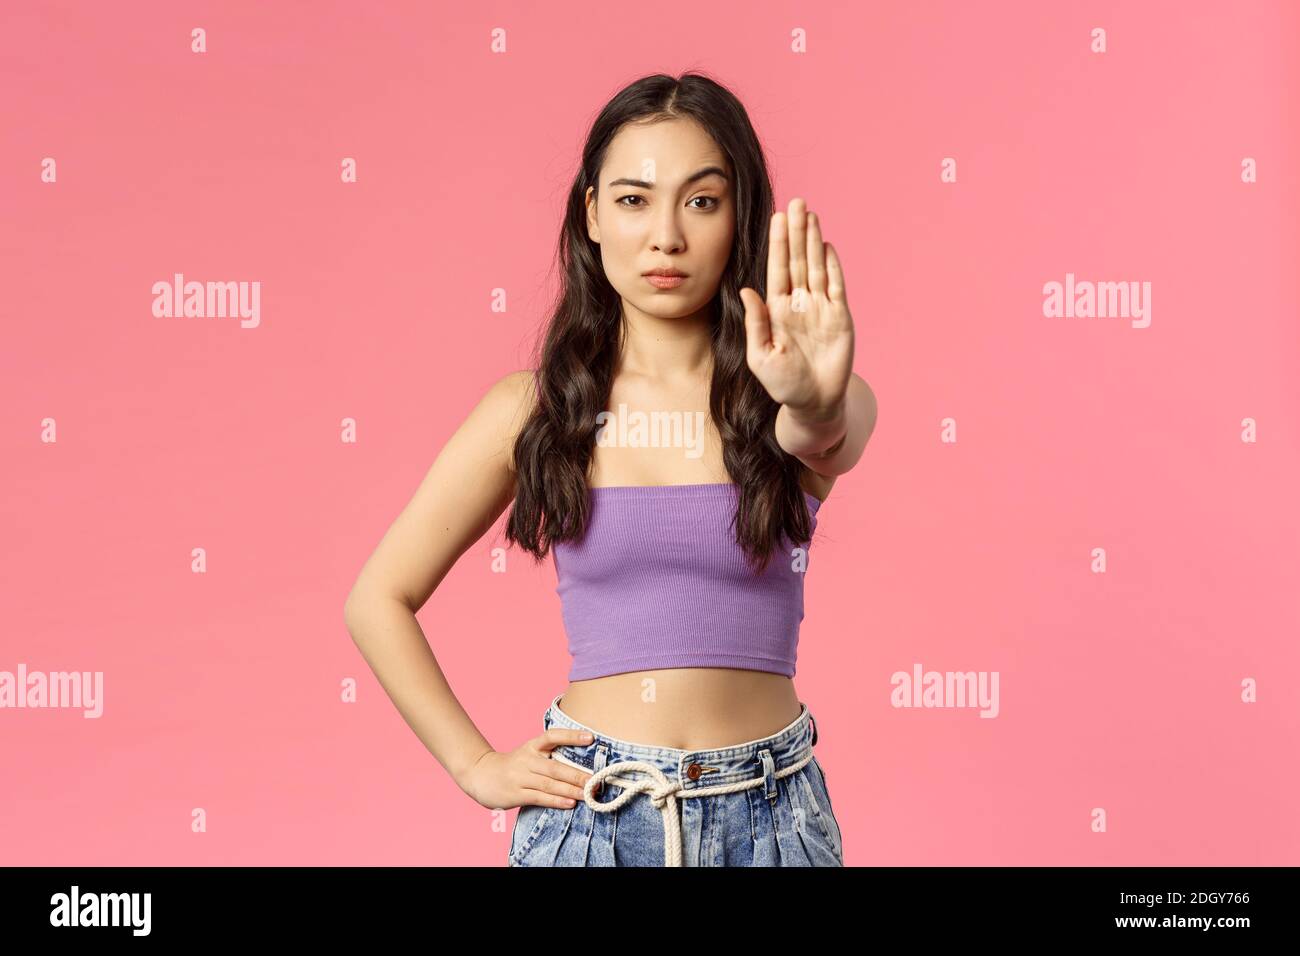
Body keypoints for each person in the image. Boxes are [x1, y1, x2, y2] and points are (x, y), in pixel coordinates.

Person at [344, 71, 877, 866]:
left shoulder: (794, 396)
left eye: (702, 201)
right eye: (633, 199)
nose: (666, 236)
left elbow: (826, 434)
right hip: (596, 818)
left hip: (772, 818)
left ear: (741, 218)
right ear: (592, 214)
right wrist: (475, 765)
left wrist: (813, 397)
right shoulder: (531, 409)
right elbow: (377, 599)